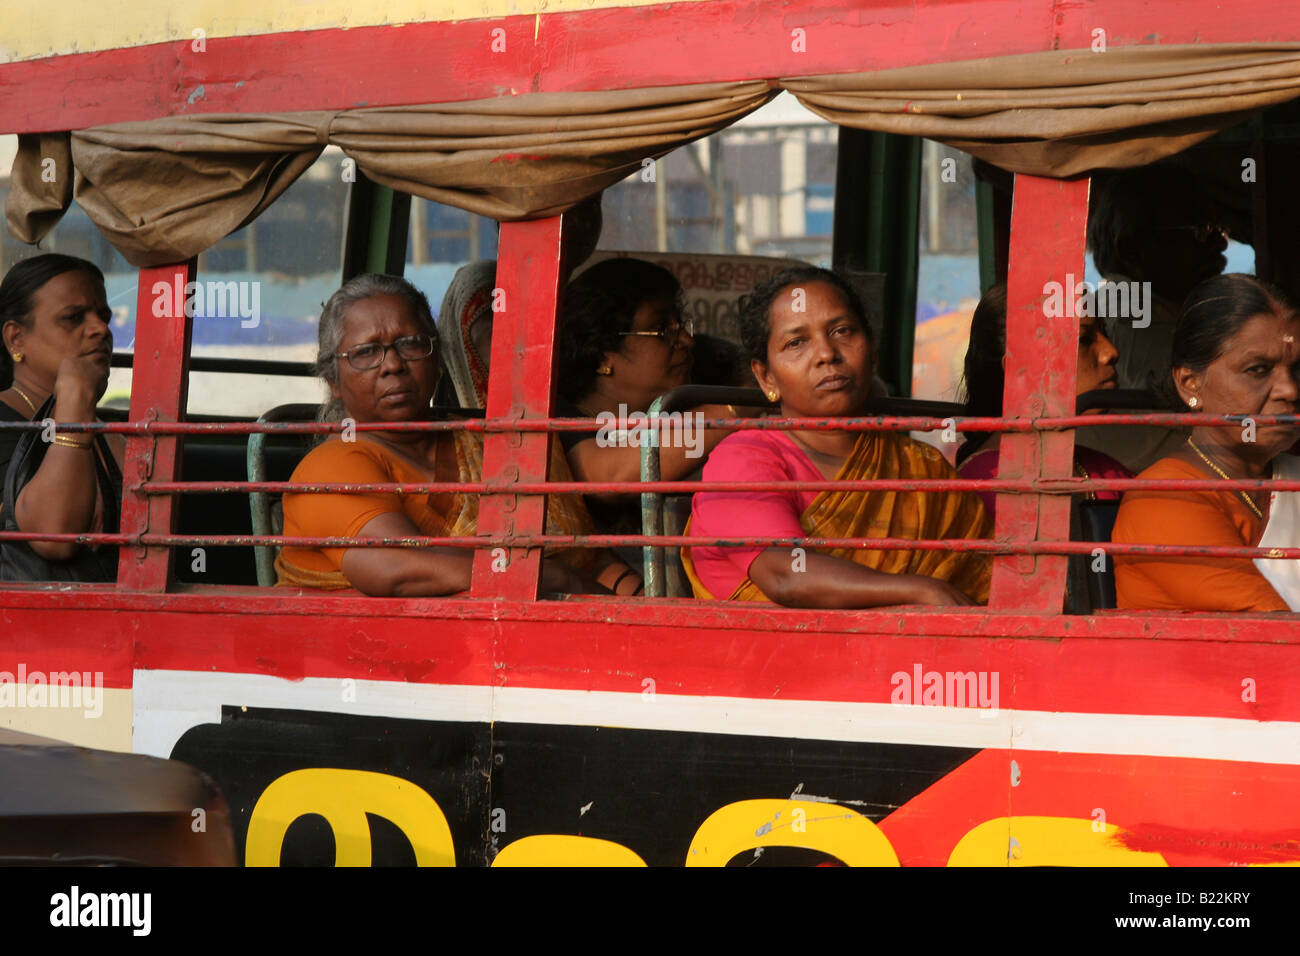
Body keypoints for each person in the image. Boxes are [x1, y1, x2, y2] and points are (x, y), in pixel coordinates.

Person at [276, 273, 638, 596]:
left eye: (411, 343)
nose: (393, 365)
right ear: (333, 381)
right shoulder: (331, 465)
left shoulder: (490, 440)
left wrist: (636, 602)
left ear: (437, 356)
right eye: (366, 352)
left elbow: (587, 559)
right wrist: (557, 579)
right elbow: (395, 568)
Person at [684, 266, 992, 607]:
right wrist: (921, 590)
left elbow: (986, 581)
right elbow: (787, 575)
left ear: (872, 351)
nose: (826, 354)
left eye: (842, 331)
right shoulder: (743, 459)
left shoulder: (923, 468)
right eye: (796, 342)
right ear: (766, 377)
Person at [1113, 274, 1300, 612]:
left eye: (1298, 370)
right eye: (1258, 369)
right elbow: (1278, 639)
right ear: (1190, 385)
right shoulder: (1164, 499)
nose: (1290, 390)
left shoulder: (1289, 474)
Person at [554, 257, 741, 533]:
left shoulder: (705, 369)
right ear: (601, 356)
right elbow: (609, 475)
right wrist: (737, 409)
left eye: (681, 326)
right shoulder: (558, 415)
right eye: (663, 330)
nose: (687, 341)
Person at [1079, 163, 1230, 472]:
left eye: (1217, 229)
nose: (1220, 243)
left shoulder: (1128, 307)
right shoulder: (1133, 315)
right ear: (1133, 249)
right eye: (1200, 231)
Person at [957, 283, 1131, 521]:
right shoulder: (987, 487)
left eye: (1104, 335)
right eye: (1084, 339)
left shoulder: (1104, 470)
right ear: (1021, 370)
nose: (1111, 352)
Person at [0, 254, 122, 582]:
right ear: (16, 339)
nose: (100, 329)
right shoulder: (5, 424)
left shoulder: (116, 433)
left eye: (103, 315)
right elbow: (56, 536)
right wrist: (73, 398)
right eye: (73, 318)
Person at [438, 194, 604, 409]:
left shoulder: (575, 299)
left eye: (591, 204)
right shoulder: (484, 285)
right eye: (564, 207)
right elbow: (516, 384)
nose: (583, 221)